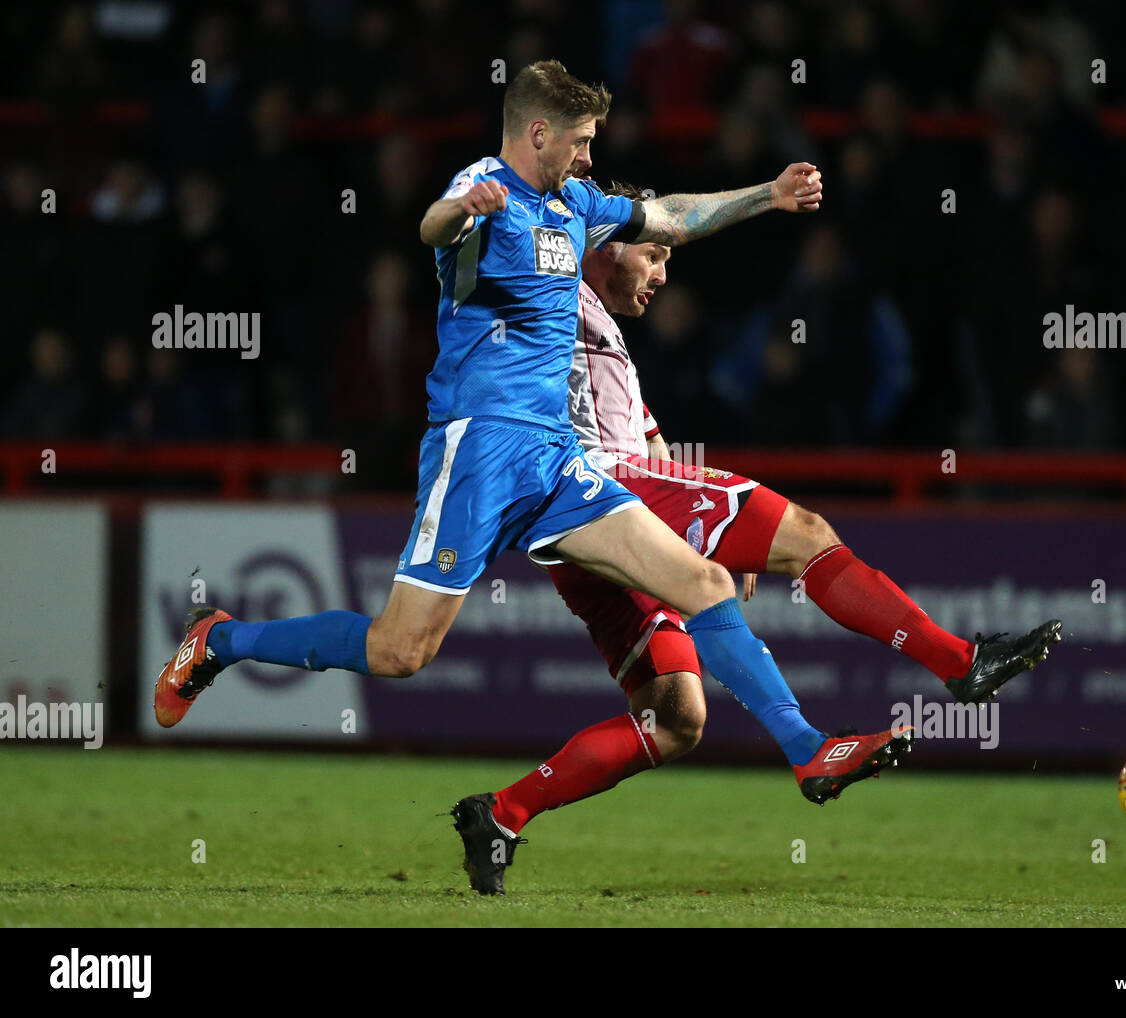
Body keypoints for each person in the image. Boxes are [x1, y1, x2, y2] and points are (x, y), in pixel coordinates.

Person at [152, 61, 910, 883]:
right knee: (401, 651)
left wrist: (768, 193)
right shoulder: (486, 186)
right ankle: (219, 640)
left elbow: (672, 219)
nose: (589, 158)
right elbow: (432, 229)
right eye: (580, 143)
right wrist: (457, 212)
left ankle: (808, 750)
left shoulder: (576, 205)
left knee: (706, 584)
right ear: (538, 133)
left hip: (552, 459)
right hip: (476, 452)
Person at [454, 183, 1062, 893]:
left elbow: (644, 437)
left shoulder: (600, 336)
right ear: (603, 246)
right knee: (806, 535)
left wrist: (698, 532)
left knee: (674, 718)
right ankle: (950, 668)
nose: (663, 273)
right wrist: (766, 194)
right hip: (598, 486)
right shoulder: (554, 287)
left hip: (587, 528)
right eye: (655, 256)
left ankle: (501, 813)